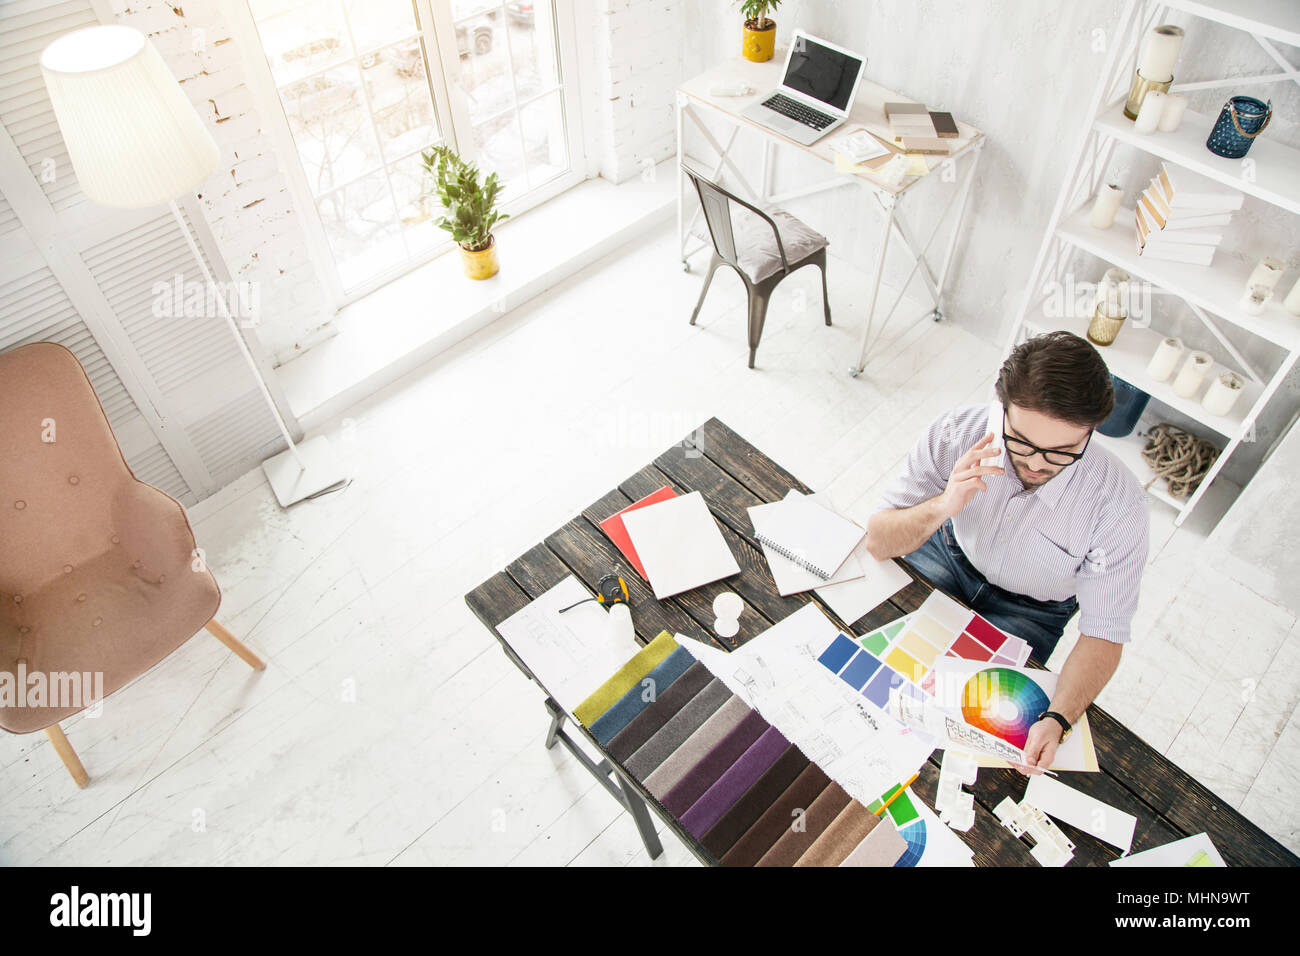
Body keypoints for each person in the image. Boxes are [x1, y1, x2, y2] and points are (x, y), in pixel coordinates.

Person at [866, 331, 1149, 775]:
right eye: (1021, 441)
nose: (1037, 463)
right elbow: (878, 540)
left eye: (1062, 452)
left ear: (1090, 432)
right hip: (949, 553)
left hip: (1033, 611)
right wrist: (944, 504)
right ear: (1001, 409)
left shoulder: (1119, 505)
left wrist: (1058, 719)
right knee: (876, 665)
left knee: (964, 730)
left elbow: (1104, 633)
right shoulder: (955, 432)